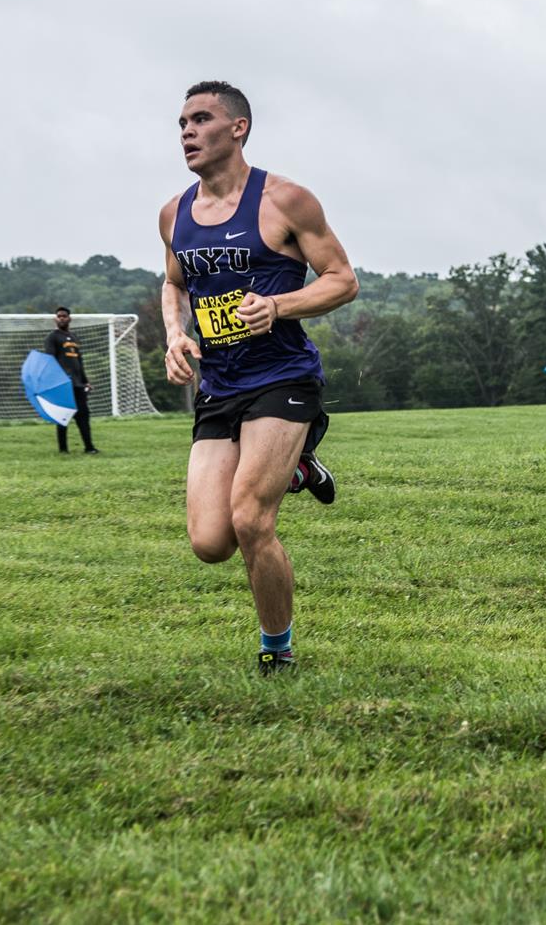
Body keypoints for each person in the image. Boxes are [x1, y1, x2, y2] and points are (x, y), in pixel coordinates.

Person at [158, 80, 358, 675]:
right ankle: (298, 466)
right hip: (219, 384)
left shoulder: (285, 200)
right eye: (182, 123)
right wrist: (175, 334)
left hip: (282, 375)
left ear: (237, 128)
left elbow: (342, 280)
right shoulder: (175, 214)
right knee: (211, 542)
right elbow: (173, 283)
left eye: (200, 119)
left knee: (251, 519)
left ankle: (278, 650)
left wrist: (279, 306)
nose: (187, 132)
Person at [43, 306, 98, 454]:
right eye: (59, 316)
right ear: (55, 319)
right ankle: (63, 450)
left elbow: (79, 362)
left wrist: (85, 381)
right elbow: (50, 360)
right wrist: (55, 381)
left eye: (64, 316)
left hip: (78, 384)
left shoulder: (74, 338)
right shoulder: (52, 337)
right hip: (63, 384)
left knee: (83, 415)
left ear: (69, 318)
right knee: (63, 416)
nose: (62, 318)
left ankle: (89, 447)